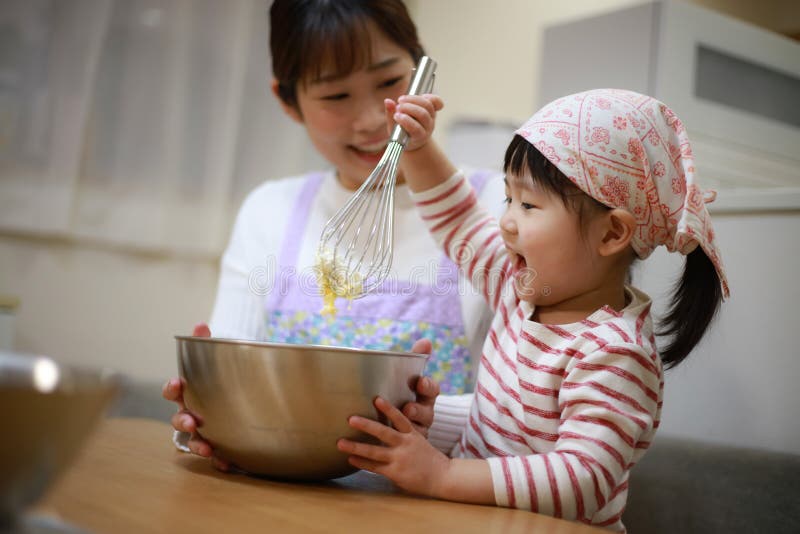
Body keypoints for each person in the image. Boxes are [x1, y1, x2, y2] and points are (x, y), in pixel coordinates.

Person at [336, 88, 729, 531]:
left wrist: (441, 474)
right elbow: (458, 219)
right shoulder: (517, 285)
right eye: (507, 198)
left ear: (611, 234)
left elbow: (583, 477)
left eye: (528, 205)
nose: (506, 220)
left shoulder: (615, 353)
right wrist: (421, 147)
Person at [163, 0, 504, 468]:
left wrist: (432, 419)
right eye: (335, 97)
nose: (369, 120)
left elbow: (529, 413)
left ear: (423, 72)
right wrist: (211, 417)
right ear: (288, 101)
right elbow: (230, 382)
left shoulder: (501, 209)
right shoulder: (269, 210)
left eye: (389, 83)